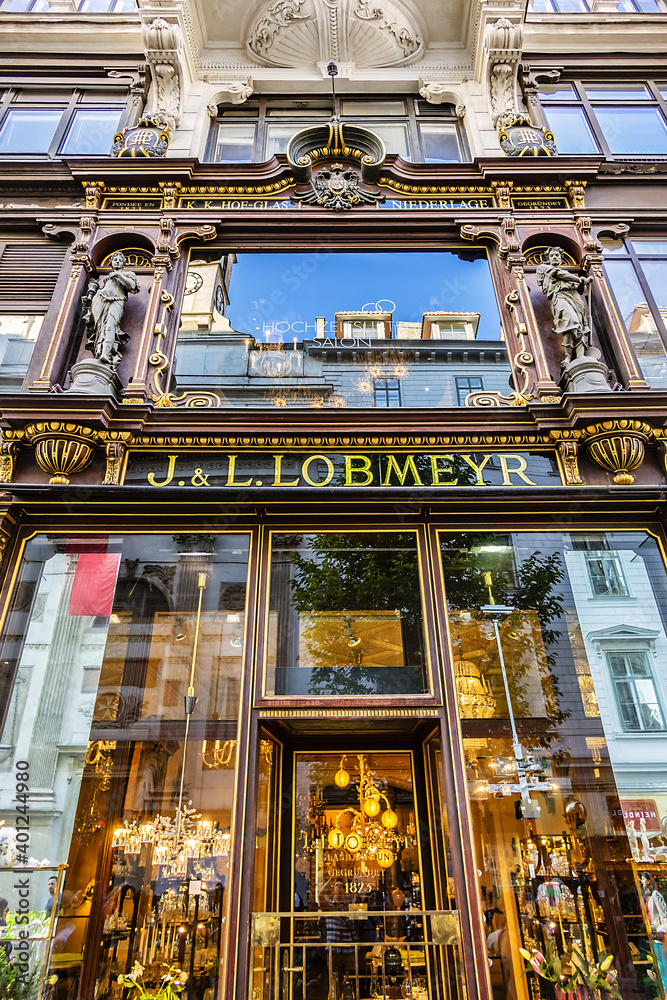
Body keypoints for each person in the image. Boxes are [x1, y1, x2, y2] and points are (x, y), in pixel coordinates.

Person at [536, 247, 593, 367]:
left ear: (561, 258)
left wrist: (582, 283)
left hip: (575, 298)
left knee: (580, 325)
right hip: (560, 297)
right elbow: (559, 274)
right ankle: (568, 356)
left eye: (557, 255)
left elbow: (579, 290)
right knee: (570, 321)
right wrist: (580, 279)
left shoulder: (568, 275)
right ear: (548, 259)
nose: (555, 257)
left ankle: (580, 354)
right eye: (552, 256)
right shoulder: (543, 268)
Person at [83, 252, 139, 367]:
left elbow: (132, 286)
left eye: (119, 260)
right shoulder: (107, 277)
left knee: (110, 325)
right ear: (111, 263)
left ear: (123, 263)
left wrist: (118, 275)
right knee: (99, 328)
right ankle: (98, 352)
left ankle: (105, 353)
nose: (117, 261)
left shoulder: (128, 274)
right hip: (100, 299)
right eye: (115, 260)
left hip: (117, 300)